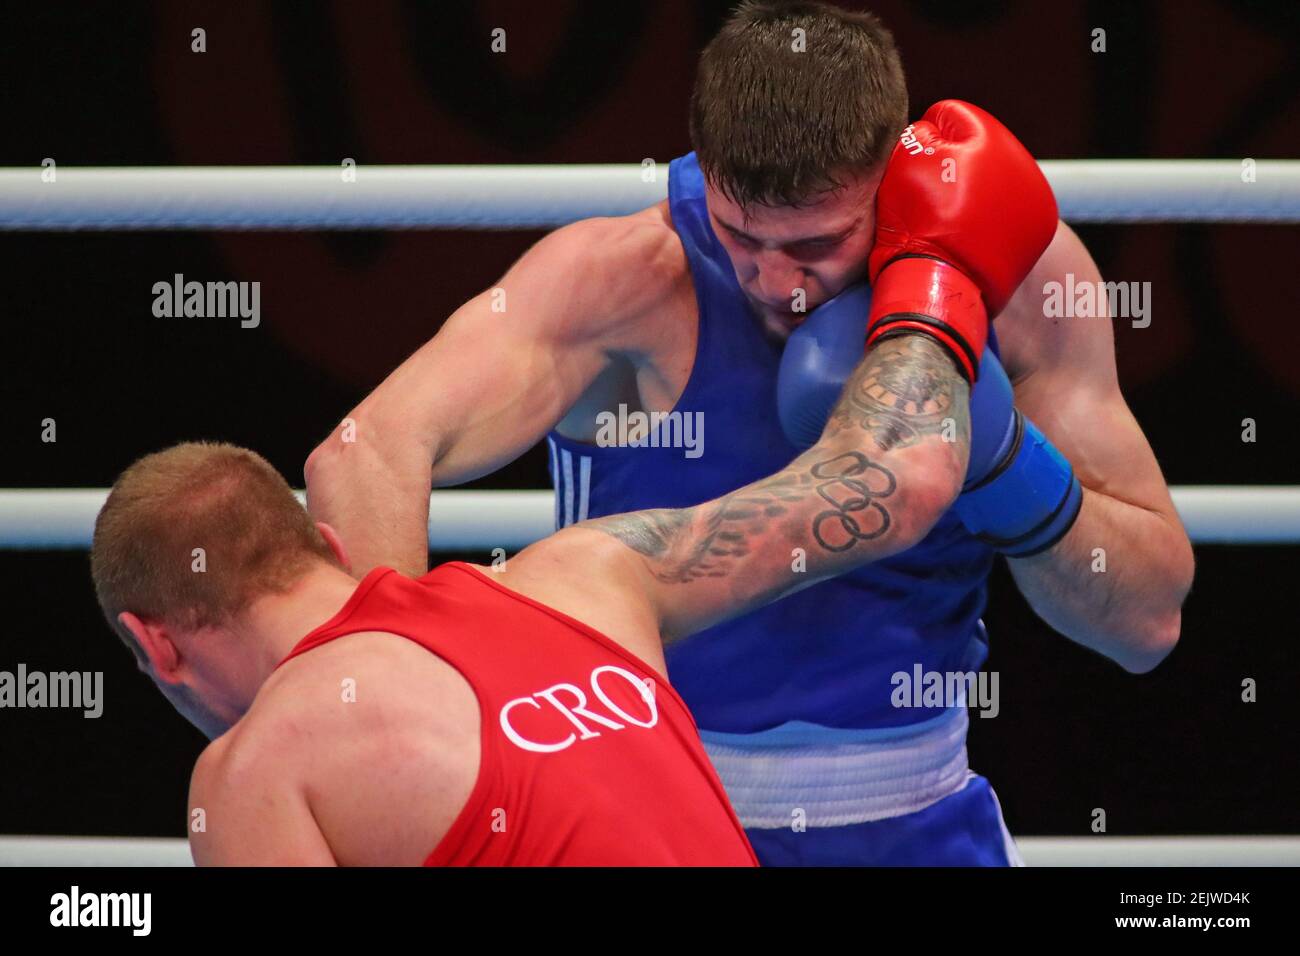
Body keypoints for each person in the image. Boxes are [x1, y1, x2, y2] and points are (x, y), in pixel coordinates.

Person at [305, 1, 1194, 865]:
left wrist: (1005, 462)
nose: (776, 281)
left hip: (913, 816)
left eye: (816, 244)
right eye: (739, 234)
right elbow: (365, 450)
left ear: (890, 185)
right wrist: (404, 712)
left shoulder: (1020, 287)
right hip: (635, 810)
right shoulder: (623, 281)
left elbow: (1147, 619)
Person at [89, 317, 968, 864]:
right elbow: (898, 483)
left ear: (156, 644)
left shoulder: (251, 776)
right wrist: (932, 289)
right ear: (322, 545)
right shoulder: (585, 572)